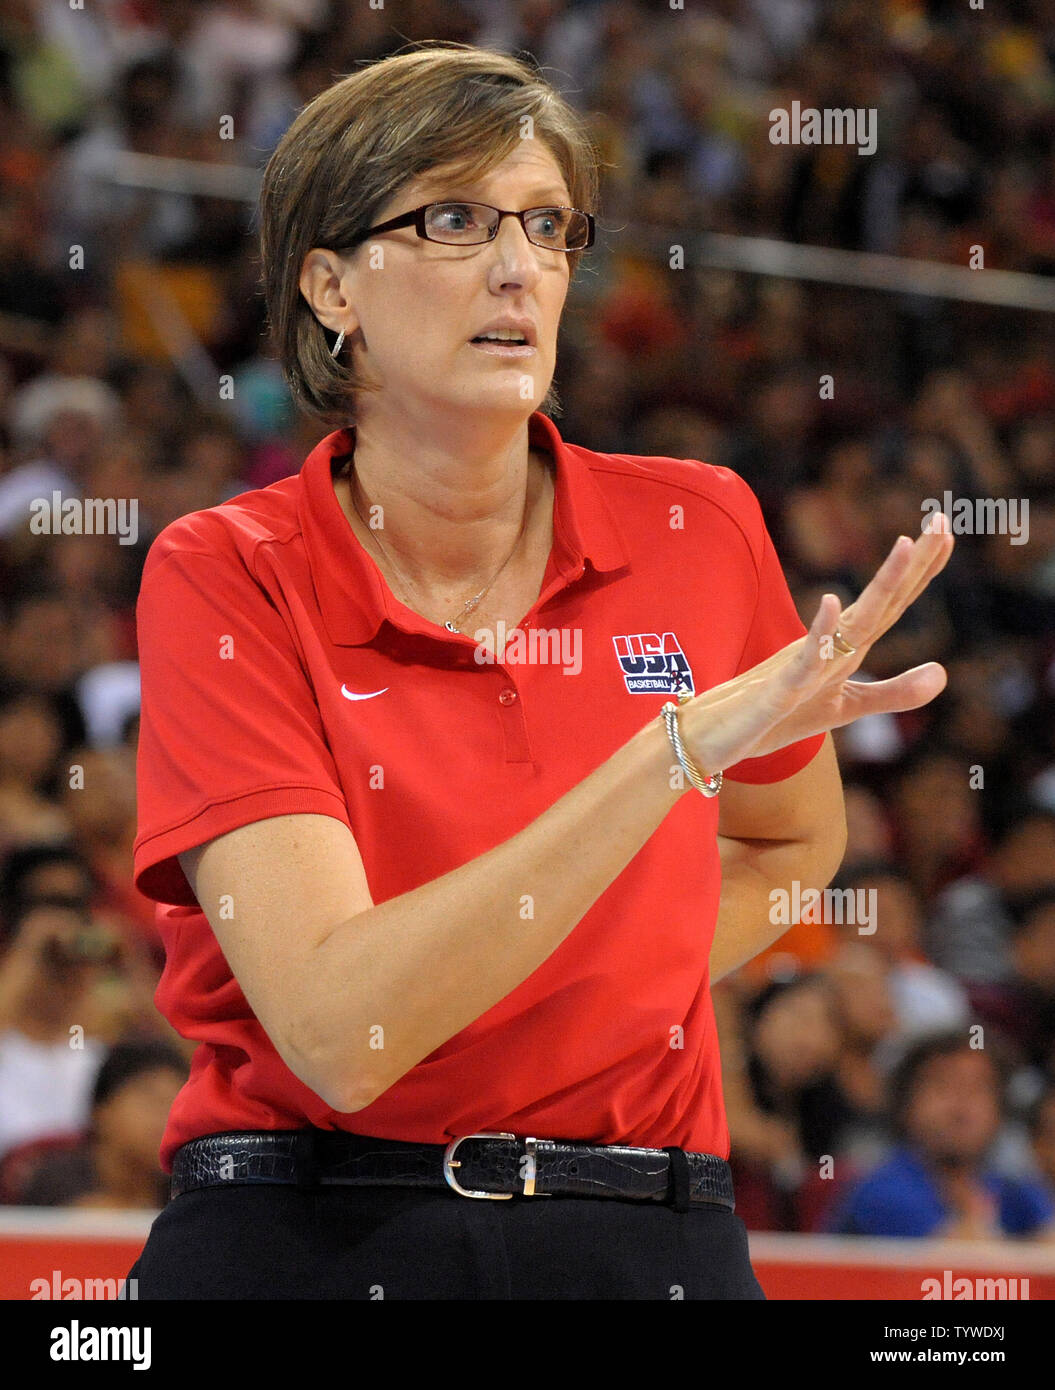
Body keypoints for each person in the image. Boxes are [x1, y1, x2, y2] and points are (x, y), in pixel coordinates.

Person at [126, 41, 953, 1300]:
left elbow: (789, 847)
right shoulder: (226, 570)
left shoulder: (698, 523)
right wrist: (666, 755)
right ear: (329, 285)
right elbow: (345, 1038)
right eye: (452, 219)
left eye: (546, 224)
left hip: (645, 1228)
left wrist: (547, 1007)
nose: (517, 266)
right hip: (311, 1224)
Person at [825, 1031, 1055, 1240]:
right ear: (906, 1105)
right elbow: (954, 1265)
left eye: (979, 1089)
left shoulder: (1014, 1189)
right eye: (943, 1087)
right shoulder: (882, 1189)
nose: (961, 1106)